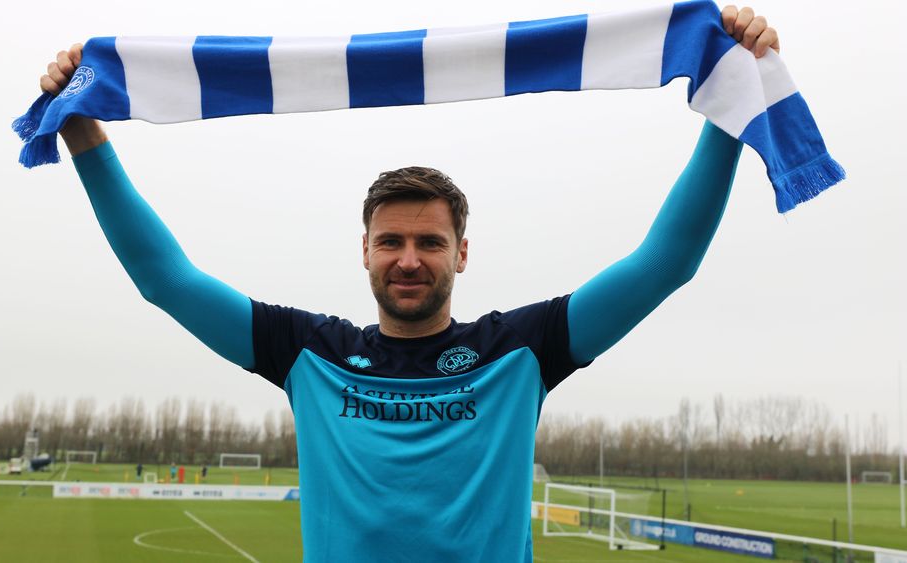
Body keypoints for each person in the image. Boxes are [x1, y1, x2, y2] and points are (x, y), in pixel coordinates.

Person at [39, 6, 777, 561]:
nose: (409, 259)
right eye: (391, 241)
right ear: (364, 251)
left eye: (430, 242)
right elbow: (166, 280)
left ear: (462, 254)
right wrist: (83, 135)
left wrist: (728, 106)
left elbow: (664, 263)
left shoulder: (521, 349)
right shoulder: (309, 352)